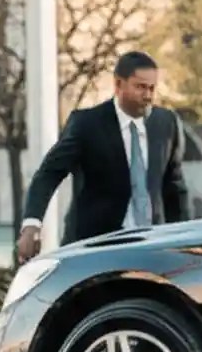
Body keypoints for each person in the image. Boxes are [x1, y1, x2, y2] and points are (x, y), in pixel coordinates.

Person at [16, 51, 190, 263]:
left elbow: (174, 187)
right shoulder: (87, 124)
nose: (148, 95)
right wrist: (32, 224)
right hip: (94, 248)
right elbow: (49, 174)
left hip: (151, 247)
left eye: (152, 88)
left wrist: (184, 240)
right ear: (118, 85)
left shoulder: (166, 123)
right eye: (140, 87)